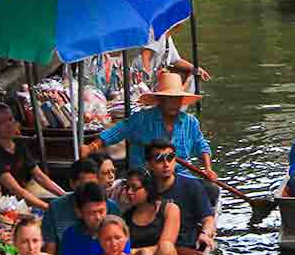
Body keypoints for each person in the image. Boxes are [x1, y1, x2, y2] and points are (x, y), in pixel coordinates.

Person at [84, 71, 215, 186]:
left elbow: (201, 145)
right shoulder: (141, 119)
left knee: (211, 190)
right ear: (160, 100)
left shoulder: (190, 122)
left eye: (177, 99)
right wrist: (91, 147)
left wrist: (208, 168)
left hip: (179, 176)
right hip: (145, 177)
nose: (173, 104)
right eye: (169, 99)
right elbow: (116, 131)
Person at [0, 102, 66, 211]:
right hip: (2, 206)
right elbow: (17, 190)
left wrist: (65, 197)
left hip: (22, 198)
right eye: (2, 122)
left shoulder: (19, 145)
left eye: (10, 119)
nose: (9, 125)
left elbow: (40, 176)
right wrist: (49, 209)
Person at [59, 182, 132, 255]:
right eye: (92, 213)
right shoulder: (71, 236)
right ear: (79, 212)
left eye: (101, 211)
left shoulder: (117, 233)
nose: (98, 217)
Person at [145, 139, 216, 250]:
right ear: (149, 164)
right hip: (152, 248)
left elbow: (208, 219)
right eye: (159, 160)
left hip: (186, 247)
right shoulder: (144, 190)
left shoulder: (192, 186)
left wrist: (205, 233)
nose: (166, 164)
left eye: (170, 158)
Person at [41, 158, 122, 255]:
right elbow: (50, 251)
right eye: (85, 185)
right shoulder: (55, 208)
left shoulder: (112, 207)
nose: (89, 190)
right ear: (72, 183)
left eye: (93, 184)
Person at [123, 168, 182, 255]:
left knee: (165, 247)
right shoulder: (126, 217)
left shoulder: (169, 209)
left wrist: (138, 251)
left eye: (134, 188)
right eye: (127, 188)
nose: (129, 192)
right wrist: (141, 253)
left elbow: (167, 243)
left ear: (148, 189)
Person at [133, 28, 211, 92]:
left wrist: (196, 68)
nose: (180, 24)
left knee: (191, 74)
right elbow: (146, 55)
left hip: (153, 81)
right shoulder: (156, 33)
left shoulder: (168, 38)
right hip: (141, 80)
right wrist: (148, 82)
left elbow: (176, 61)